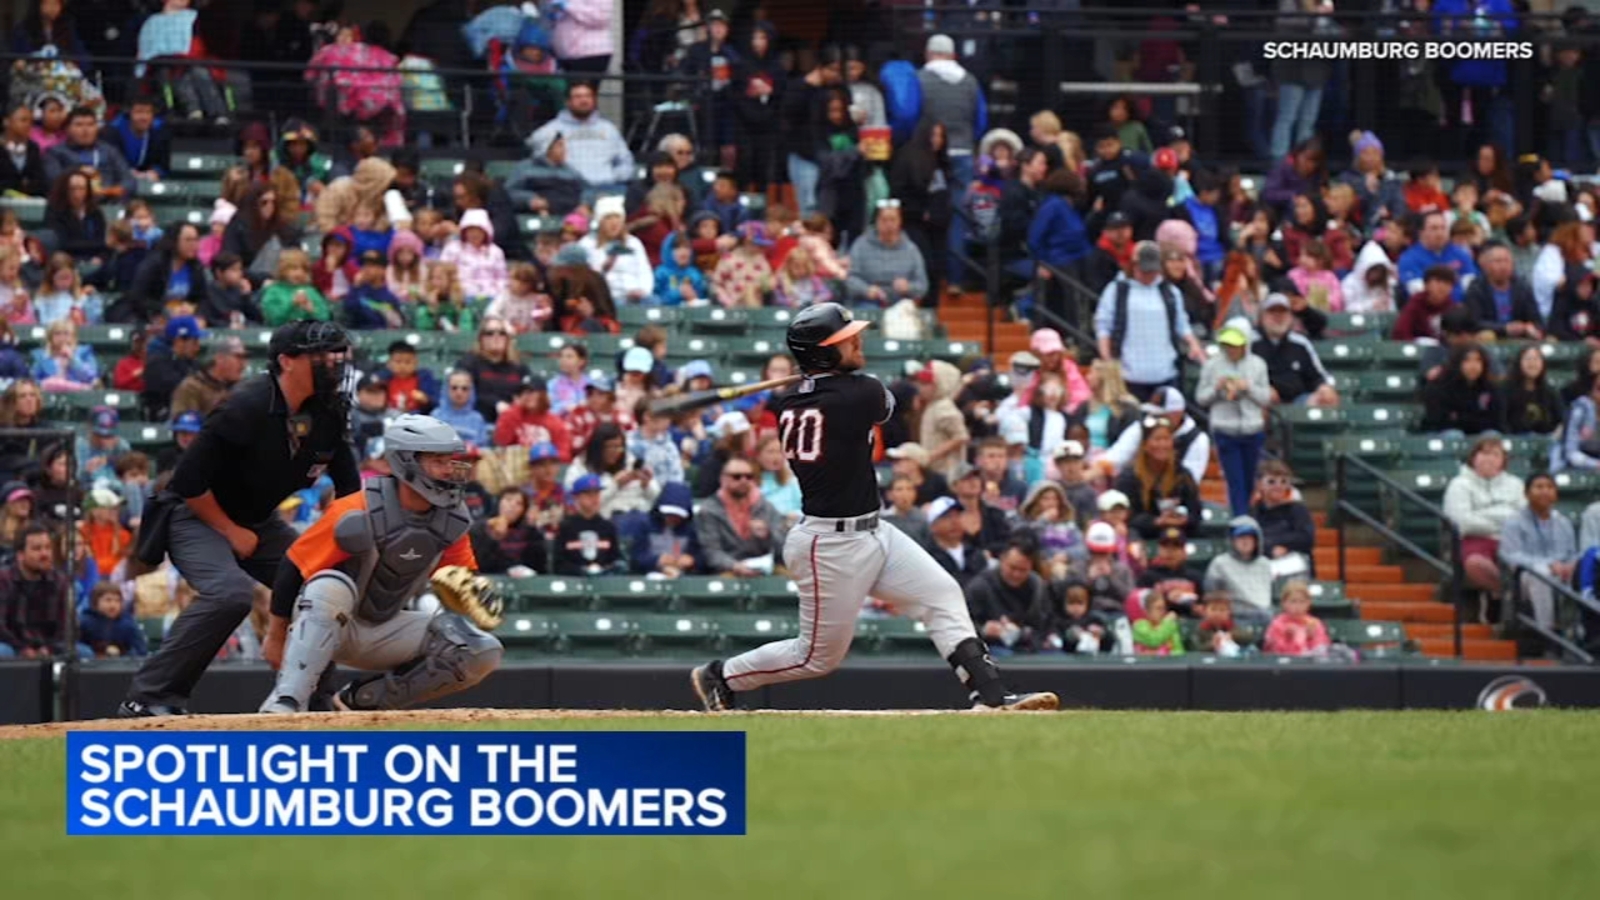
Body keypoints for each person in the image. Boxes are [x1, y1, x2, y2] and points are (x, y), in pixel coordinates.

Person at [688, 303, 1057, 712]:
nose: (857, 342)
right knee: (817, 657)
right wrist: (836, 377)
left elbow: (835, 397)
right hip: (829, 544)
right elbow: (886, 404)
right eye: (844, 341)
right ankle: (720, 676)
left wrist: (825, 374)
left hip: (873, 530)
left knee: (942, 593)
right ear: (823, 353)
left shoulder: (792, 404)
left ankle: (992, 697)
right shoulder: (858, 392)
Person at [120, 321, 361, 717]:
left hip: (258, 520)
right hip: (195, 513)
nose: (332, 362)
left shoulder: (328, 412)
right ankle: (149, 698)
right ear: (286, 361)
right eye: (319, 355)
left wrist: (350, 541)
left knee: (321, 588)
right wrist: (230, 531)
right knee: (230, 593)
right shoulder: (245, 406)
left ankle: (314, 699)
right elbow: (187, 480)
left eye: (335, 353)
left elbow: (350, 489)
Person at [259, 415, 503, 713]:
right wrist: (275, 636)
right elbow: (292, 566)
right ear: (406, 462)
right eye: (438, 460)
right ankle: (286, 702)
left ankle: (361, 702)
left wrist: (474, 593)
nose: (449, 469)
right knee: (329, 585)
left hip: (386, 628)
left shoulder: (453, 519)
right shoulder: (355, 507)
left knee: (481, 650)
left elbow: (459, 578)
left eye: (449, 460)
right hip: (328, 622)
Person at [1093, 241, 1205, 401]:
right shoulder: (1117, 291)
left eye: (1153, 271)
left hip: (1165, 372)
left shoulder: (1170, 292)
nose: (1148, 275)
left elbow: (1181, 323)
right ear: (1134, 266)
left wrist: (1193, 344)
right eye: (1144, 271)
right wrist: (1107, 357)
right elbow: (1103, 325)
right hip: (1128, 374)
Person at [1196, 325, 1271, 515]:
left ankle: (1247, 516)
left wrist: (1248, 388)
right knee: (1235, 478)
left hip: (1252, 429)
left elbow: (1265, 398)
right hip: (1225, 430)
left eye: (1235, 345)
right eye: (1227, 345)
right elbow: (1201, 398)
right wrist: (1217, 389)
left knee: (1250, 477)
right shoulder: (1212, 365)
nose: (1231, 349)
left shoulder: (1258, 364)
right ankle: (1240, 518)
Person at [1443, 437, 1525, 602]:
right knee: (1475, 564)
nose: (1489, 458)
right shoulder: (1458, 485)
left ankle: (1507, 599)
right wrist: (1502, 520)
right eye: (1484, 453)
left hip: (1511, 540)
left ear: (1503, 461)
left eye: (1495, 455)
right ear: (1474, 457)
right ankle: (1510, 595)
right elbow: (1462, 523)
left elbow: (1523, 518)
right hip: (1474, 540)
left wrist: (1482, 515)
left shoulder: (1516, 484)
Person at [1498, 473, 1578, 632]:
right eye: (1539, 487)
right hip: (1525, 576)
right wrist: (1548, 565)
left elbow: (1572, 553)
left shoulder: (1563, 522)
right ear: (1527, 493)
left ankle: (1575, 632)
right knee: (1541, 575)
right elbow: (1511, 555)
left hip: (1561, 573)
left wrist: (1571, 565)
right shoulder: (1514, 521)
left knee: (1582, 572)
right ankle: (1547, 632)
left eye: (1549, 487)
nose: (1545, 491)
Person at [526, 82, 634, 194]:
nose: (584, 101)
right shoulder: (551, 129)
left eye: (588, 96)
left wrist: (613, 176)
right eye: (578, 97)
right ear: (567, 102)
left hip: (607, 187)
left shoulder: (609, 129)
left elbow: (626, 161)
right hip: (569, 190)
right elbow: (538, 160)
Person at [0, 524, 85, 659]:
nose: (44, 554)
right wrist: (23, 648)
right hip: (13, 646)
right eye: (36, 549)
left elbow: (68, 627)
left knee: (83, 653)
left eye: (47, 548)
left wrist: (49, 648)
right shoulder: (4, 581)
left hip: (49, 647)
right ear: (20, 555)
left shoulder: (60, 581)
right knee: (3, 652)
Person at [693, 455, 786, 578]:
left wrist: (768, 534)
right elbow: (711, 552)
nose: (743, 480)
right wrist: (734, 566)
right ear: (723, 479)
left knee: (792, 578)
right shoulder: (708, 510)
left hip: (765, 567)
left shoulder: (765, 506)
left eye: (749, 476)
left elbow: (783, 547)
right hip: (728, 569)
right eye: (736, 477)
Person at [1113, 419, 1202, 539]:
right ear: (1145, 444)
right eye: (1157, 439)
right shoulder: (1129, 477)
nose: (1162, 445)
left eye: (1166, 439)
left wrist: (1183, 519)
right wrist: (1156, 521)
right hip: (1142, 535)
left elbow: (1195, 512)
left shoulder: (1182, 475)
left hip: (1178, 535)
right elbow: (1126, 515)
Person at [1253, 293, 1338, 407]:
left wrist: (1324, 388)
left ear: (1291, 316)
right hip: (1261, 401)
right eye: (1272, 311)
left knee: (1327, 398)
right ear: (1262, 317)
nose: (1278, 316)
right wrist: (1262, 390)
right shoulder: (1250, 342)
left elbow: (1318, 376)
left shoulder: (1301, 343)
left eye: (1283, 312)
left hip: (1298, 400)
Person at [42, 106, 135, 202]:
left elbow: (129, 181)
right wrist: (77, 172)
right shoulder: (55, 153)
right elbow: (54, 180)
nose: (85, 130)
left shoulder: (109, 151)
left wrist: (108, 191)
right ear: (67, 129)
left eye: (90, 125)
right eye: (79, 125)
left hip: (107, 202)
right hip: (70, 205)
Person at [1203, 517, 1274, 625]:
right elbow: (1213, 595)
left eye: (1249, 538)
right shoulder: (1220, 563)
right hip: (1235, 616)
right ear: (1232, 541)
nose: (1245, 542)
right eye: (1240, 538)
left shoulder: (1265, 563)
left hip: (1266, 614)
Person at [1421, 344, 1501, 437]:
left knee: (1492, 435)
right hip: (1442, 433)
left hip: (1478, 433)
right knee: (1454, 435)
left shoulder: (1491, 388)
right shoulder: (1440, 387)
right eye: (1467, 360)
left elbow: (1495, 420)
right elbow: (1440, 420)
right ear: (1457, 362)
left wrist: (1460, 417)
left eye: (1478, 360)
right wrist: (1474, 418)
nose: (1473, 366)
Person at [1263, 580, 1331, 657]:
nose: (1298, 607)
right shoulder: (1277, 624)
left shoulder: (1315, 623)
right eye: (1293, 601)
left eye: (1302, 602)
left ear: (1308, 603)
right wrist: (1289, 638)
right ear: (1284, 603)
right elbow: (1275, 653)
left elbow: (1322, 652)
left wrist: (1311, 637)